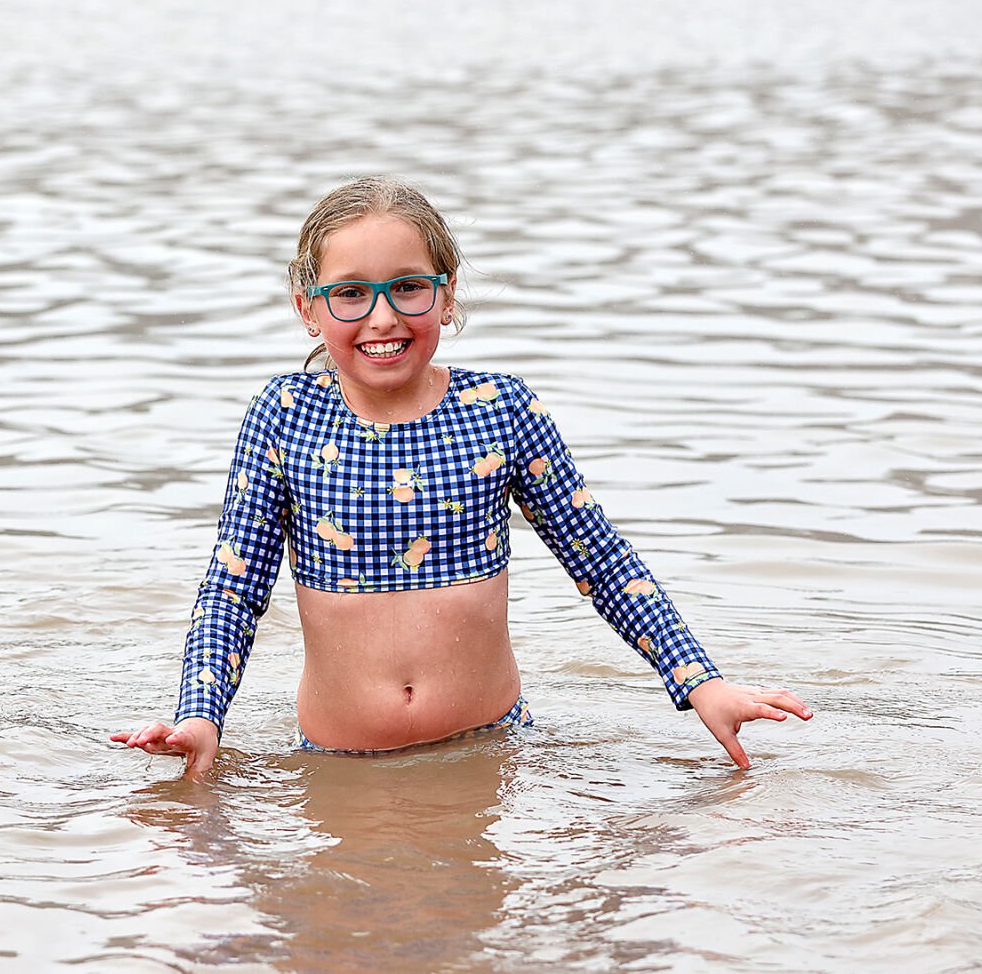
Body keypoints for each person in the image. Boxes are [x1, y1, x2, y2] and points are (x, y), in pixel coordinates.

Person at [114, 177, 810, 775]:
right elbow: (233, 588)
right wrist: (200, 717)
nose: (383, 316)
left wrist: (700, 681)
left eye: (409, 288)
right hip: (338, 768)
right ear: (309, 308)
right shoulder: (285, 415)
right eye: (351, 293)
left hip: (489, 752)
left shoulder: (500, 409)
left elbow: (599, 556)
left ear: (446, 297)